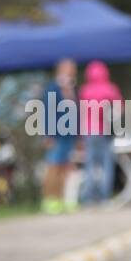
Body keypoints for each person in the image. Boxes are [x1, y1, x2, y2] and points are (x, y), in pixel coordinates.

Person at [78, 60, 122, 205]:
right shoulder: (110, 89)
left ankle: (88, 197)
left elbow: (80, 113)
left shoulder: (84, 90)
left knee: (90, 164)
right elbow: (119, 109)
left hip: (88, 131)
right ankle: (104, 196)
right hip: (105, 131)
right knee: (106, 164)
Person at [41, 58, 79, 214]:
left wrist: (78, 136)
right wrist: (48, 135)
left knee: (66, 167)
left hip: (69, 135)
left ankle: (63, 199)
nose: (71, 71)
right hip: (56, 134)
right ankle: (50, 200)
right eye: (68, 68)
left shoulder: (72, 88)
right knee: (53, 167)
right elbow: (48, 111)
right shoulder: (53, 88)